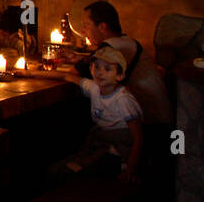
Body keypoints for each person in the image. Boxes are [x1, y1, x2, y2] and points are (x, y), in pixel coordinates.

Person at [56, 0, 169, 124]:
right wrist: (79, 59)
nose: (83, 32)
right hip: (148, 119)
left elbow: (76, 73)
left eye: (86, 26)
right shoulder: (124, 41)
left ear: (102, 27)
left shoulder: (112, 46)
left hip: (150, 125)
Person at [55, 46, 143, 182]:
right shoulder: (94, 88)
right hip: (103, 138)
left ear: (120, 75)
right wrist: (30, 73)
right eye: (96, 67)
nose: (100, 73)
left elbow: (138, 136)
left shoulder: (123, 99)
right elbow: (67, 76)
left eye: (107, 69)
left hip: (121, 144)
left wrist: (131, 169)